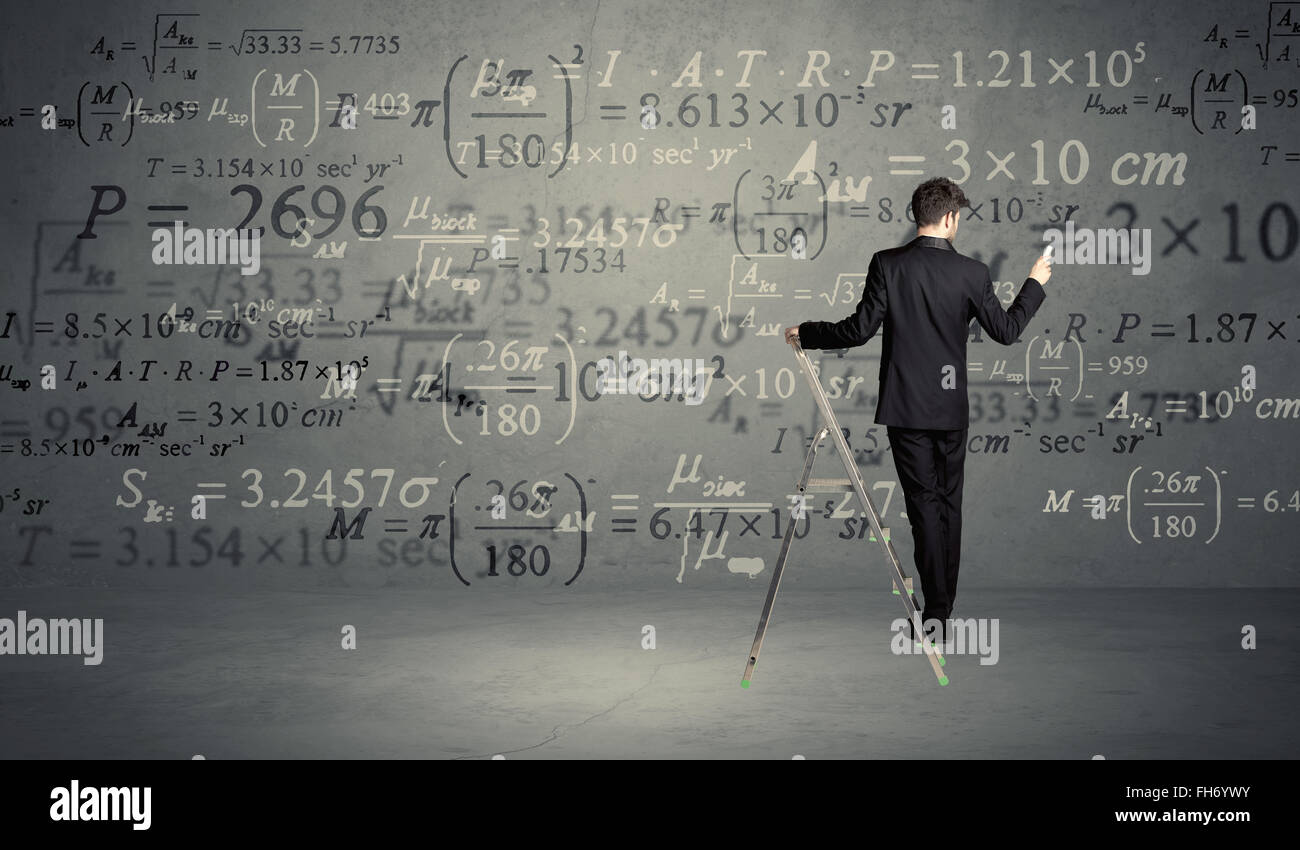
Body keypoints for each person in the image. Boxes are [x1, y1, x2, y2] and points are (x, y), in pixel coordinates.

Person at [784, 176, 1052, 641]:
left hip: (905, 410)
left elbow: (858, 330)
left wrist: (805, 332)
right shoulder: (972, 273)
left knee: (923, 506)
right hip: (950, 411)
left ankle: (935, 614)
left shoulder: (888, 264)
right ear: (949, 218)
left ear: (918, 216)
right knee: (950, 505)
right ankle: (941, 608)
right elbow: (1008, 331)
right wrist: (1034, 283)